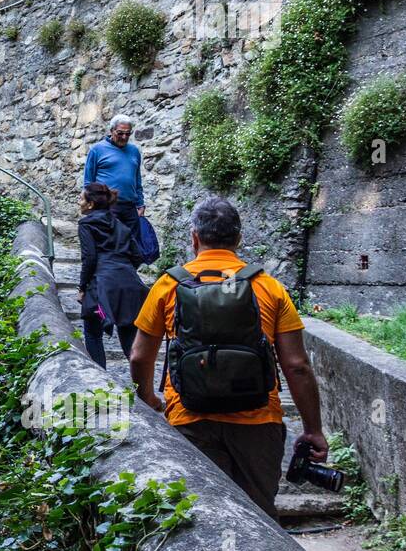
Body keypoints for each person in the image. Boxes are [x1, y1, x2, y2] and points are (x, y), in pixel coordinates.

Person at [128, 197, 329, 521]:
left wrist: (149, 398)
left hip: (189, 419)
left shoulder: (168, 285)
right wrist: (313, 430)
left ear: (194, 237)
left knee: (197, 518)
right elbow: (297, 366)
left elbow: (139, 356)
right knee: (259, 519)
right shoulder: (268, 286)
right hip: (258, 422)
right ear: (238, 239)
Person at [76, 183, 148, 368]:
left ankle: (99, 379)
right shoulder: (121, 226)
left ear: (90, 204)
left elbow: (89, 258)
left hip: (101, 292)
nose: (79, 201)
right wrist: (122, 269)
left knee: (93, 329)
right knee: (128, 335)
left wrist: (82, 288)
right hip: (129, 288)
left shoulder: (86, 224)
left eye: (82, 198)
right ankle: (141, 387)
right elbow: (138, 256)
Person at [83, 115, 146, 237]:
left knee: (133, 247)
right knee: (109, 245)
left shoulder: (134, 151)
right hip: (106, 207)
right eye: (120, 133)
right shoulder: (97, 150)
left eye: (128, 134)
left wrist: (140, 203)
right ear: (111, 131)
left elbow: (137, 179)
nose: (124, 137)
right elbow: (88, 182)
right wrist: (90, 205)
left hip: (130, 207)